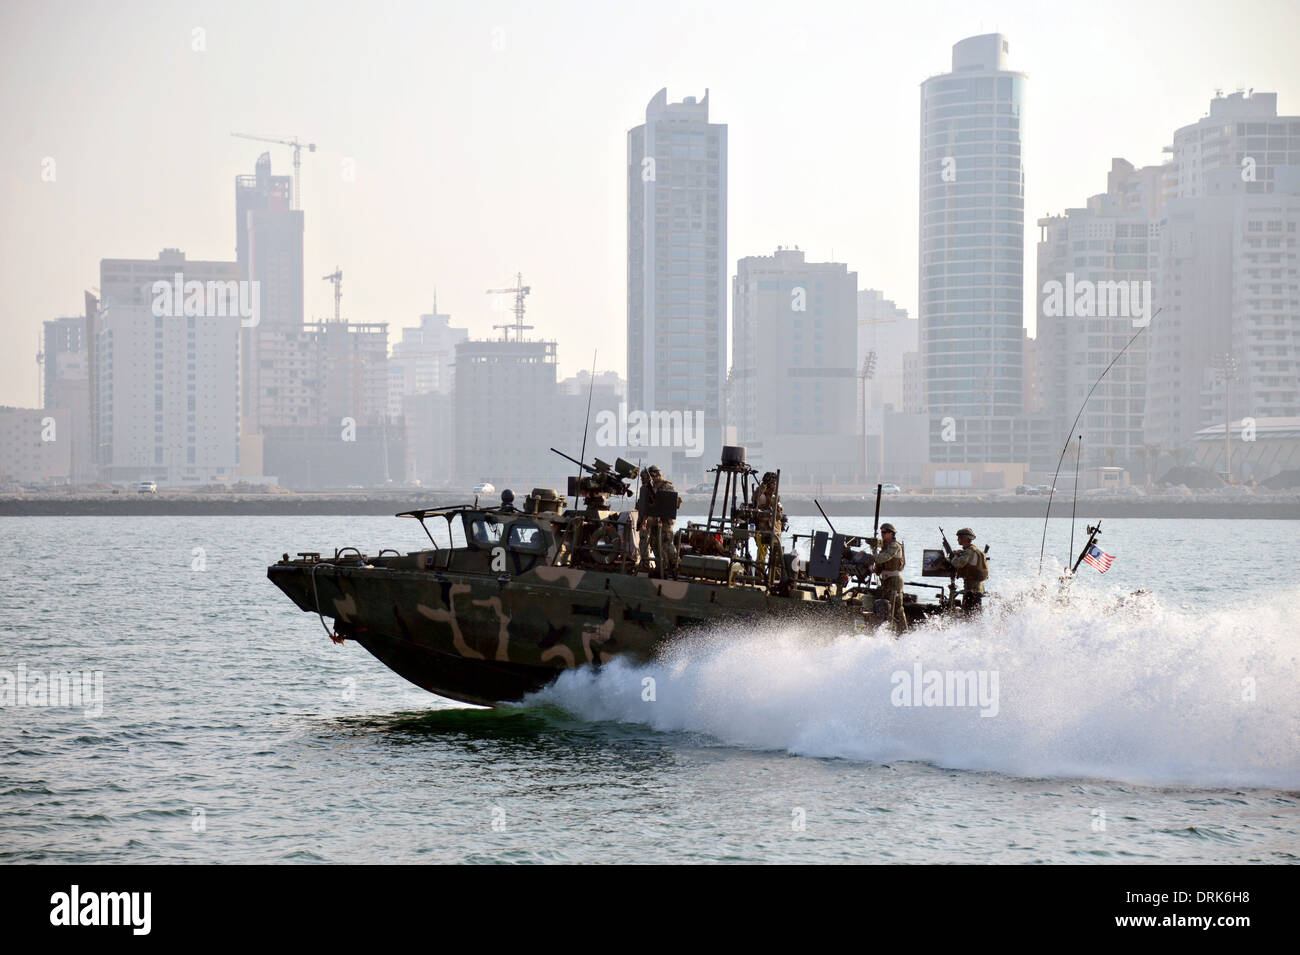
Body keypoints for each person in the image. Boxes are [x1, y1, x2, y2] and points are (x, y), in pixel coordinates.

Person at [868, 522, 908, 635]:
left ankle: (904, 633)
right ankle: (886, 632)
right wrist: (874, 569)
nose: (883, 534)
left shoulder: (895, 546)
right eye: (882, 532)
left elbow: (884, 558)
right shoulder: (885, 547)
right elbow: (880, 566)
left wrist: (871, 557)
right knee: (885, 607)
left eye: (885, 532)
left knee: (898, 608)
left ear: (892, 533)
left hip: (894, 581)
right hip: (885, 581)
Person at [642, 465, 680, 576]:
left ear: (659, 475)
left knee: (666, 544)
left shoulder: (666, 487)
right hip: (655, 521)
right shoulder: (652, 487)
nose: (653, 479)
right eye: (651, 477)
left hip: (665, 522)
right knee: (655, 544)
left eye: (654, 476)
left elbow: (667, 503)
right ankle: (661, 567)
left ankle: (675, 566)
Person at [949, 527, 988, 615]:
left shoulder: (969, 552)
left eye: (959, 538)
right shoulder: (975, 550)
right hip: (977, 589)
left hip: (972, 590)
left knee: (969, 615)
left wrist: (955, 556)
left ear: (965, 539)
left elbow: (957, 563)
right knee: (974, 615)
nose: (958, 539)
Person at [753, 471, 782, 572]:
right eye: (773, 483)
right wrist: (764, 485)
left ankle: (775, 574)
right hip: (763, 529)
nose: (775, 486)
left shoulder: (776, 497)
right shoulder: (761, 494)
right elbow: (756, 497)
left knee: (777, 553)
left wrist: (777, 512)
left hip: (775, 530)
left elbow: (779, 515)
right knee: (761, 553)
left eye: (775, 483)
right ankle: (759, 574)